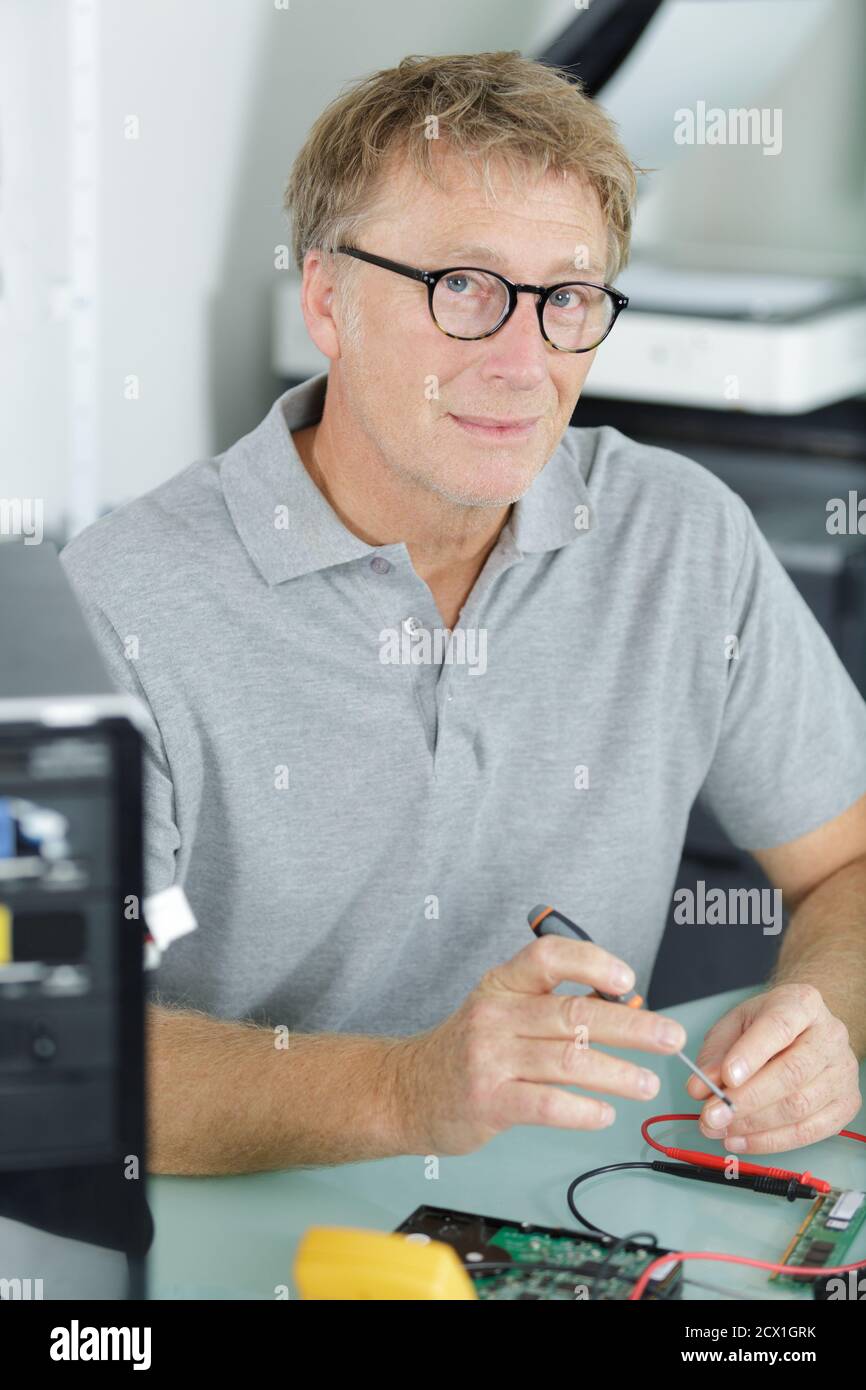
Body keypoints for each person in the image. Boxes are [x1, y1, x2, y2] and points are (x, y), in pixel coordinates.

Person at [60, 52, 866, 1175]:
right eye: (464, 290)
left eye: (566, 300)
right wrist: (406, 1089)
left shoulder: (681, 536)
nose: (523, 361)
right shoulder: (115, 604)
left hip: (567, 1225)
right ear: (327, 301)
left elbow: (847, 864)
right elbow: (43, 1053)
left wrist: (818, 1015)